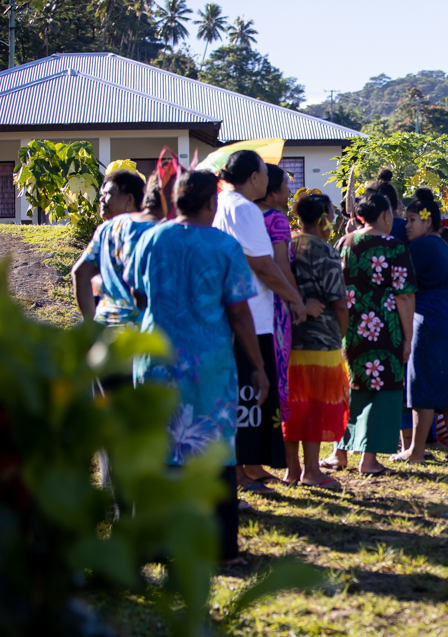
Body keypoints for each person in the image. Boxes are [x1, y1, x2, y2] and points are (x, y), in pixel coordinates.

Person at [127, 168, 265, 565]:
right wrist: (257, 365)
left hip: (154, 361)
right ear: (211, 202)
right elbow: (239, 313)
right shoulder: (223, 245)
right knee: (214, 451)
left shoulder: (151, 238)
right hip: (207, 368)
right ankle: (221, 550)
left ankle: (151, 545)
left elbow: (137, 294)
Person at [212, 150, 307, 493]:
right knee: (249, 396)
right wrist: (294, 298)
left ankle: (248, 467)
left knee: (242, 395)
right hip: (252, 315)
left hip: (233, 314)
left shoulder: (222, 203)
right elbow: (264, 265)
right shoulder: (245, 209)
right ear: (253, 177)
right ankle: (240, 472)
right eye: (265, 174)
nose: (268, 179)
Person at [325, 192, 416, 475]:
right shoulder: (395, 247)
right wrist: (408, 337)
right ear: (386, 215)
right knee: (383, 390)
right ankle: (369, 459)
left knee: (351, 386)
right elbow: (404, 296)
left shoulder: (344, 242)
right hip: (385, 329)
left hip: (349, 327)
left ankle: (339, 453)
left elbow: (334, 287)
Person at [395, 188, 448, 464]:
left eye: (412, 220)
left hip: (429, 319)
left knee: (421, 385)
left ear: (427, 221)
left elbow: (404, 288)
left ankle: (415, 452)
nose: (407, 226)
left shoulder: (419, 247)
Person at [283, 193, 349, 489]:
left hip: (287, 336)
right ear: (323, 218)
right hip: (321, 340)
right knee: (313, 405)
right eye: (331, 217)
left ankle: (292, 470)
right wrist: (340, 334)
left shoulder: (285, 245)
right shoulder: (326, 251)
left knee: (291, 403)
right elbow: (339, 303)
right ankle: (311, 470)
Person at [72, 170, 162, 327]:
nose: (101, 199)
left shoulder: (106, 229)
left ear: (129, 199)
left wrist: (89, 322)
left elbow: (80, 272)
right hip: (143, 329)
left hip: (106, 325)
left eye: (108, 194)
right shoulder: (157, 231)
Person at [256, 163, 295, 426]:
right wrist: (297, 300)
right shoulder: (276, 219)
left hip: (245, 303)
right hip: (275, 303)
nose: (289, 191)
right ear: (272, 192)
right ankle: (275, 427)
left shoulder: (243, 215)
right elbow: (282, 266)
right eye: (286, 185)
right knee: (277, 368)